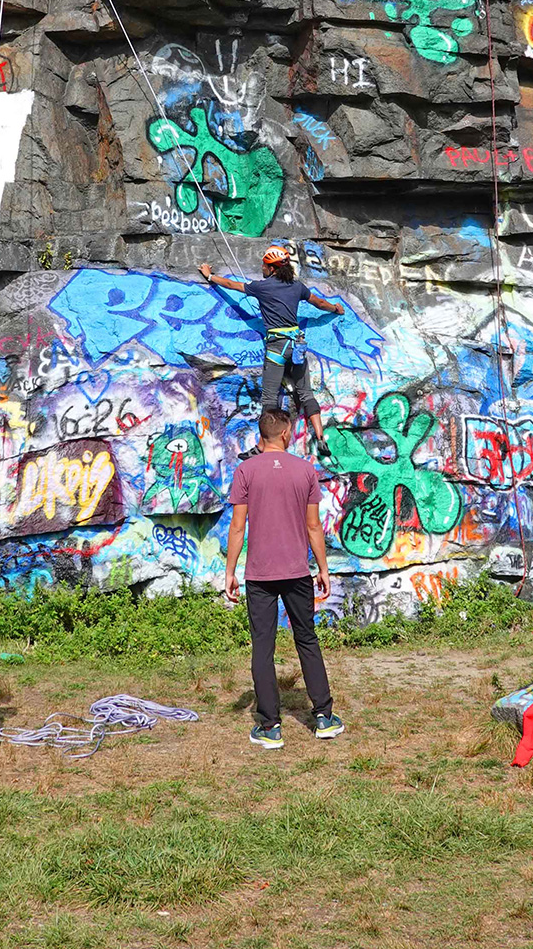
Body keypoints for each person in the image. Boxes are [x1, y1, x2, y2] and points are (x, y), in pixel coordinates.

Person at [224, 407, 344, 748]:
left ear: (260, 436)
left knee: (263, 647)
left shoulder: (245, 471)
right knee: (306, 640)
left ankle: (270, 727)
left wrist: (230, 572)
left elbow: (237, 527)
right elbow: (312, 526)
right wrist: (322, 568)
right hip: (296, 572)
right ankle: (323, 717)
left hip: (259, 575)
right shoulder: (305, 470)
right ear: (287, 433)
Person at [199, 245, 347, 457]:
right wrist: (335, 308)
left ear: (272, 268)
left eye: (264, 265)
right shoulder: (297, 287)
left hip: (277, 346)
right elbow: (319, 303)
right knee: (305, 392)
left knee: (270, 397)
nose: (262, 267)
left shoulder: (262, 287)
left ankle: (261, 446)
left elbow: (231, 285)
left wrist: (210, 275)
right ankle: (321, 438)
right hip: (297, 344)